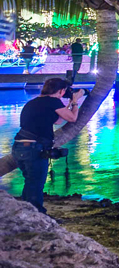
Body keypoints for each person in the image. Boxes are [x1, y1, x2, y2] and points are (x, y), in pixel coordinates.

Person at [9, 78, 85, 213]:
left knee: (30, 182)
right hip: (33, 149)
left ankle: (27, 213)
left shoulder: (34, 102)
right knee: (36, 185)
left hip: (19, 147)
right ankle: (37, 216)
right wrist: (75, 101)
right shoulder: (53, 102)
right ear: (61, 91)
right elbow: (72, 118)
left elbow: (58, 120)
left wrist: (67, 104)